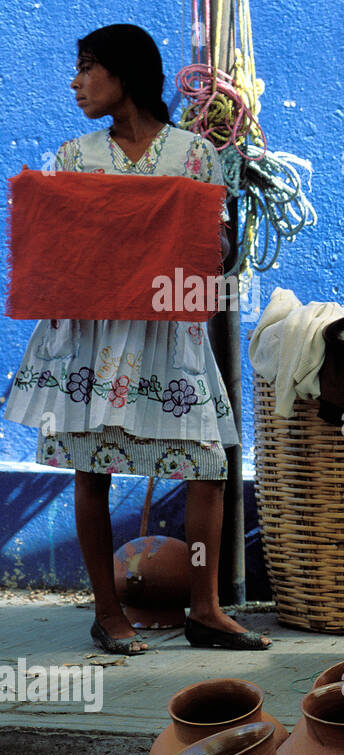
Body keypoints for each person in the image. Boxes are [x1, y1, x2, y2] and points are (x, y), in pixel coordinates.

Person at [3, 24, 269, 653]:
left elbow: (216, 251)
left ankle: (204, 608)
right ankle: (107, 612)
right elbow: (57, 247)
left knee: (207, 466)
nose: (76, 82)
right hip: (91, 337)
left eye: (88, 67)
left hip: (169, 334)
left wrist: (209, 241)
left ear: (124, 74)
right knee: (90, 469)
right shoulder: (74, 158)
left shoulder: (193, 156)